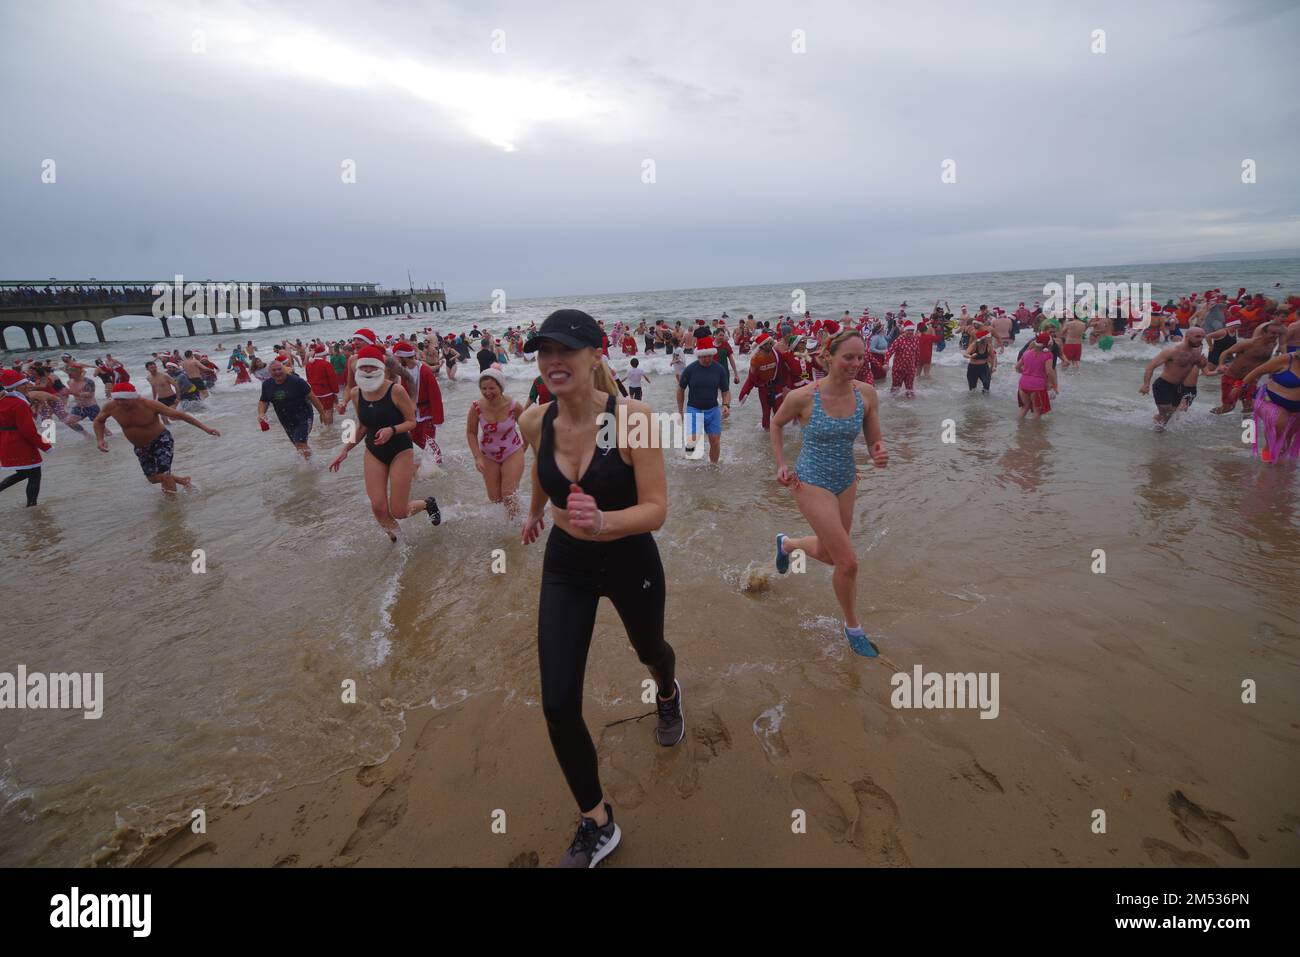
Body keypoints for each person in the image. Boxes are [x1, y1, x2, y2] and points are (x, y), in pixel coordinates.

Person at [516, 309, 679, 868]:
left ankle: (667, 692)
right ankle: (597, 821)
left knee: (649, 650)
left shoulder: (628, 419)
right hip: (567, 564)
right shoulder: (535, 421)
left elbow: (656, 510)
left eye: (565, 350)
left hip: (630, 557)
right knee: (558, 701)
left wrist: (605, 523)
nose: (553, 361)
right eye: (544, 352)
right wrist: (538, 512)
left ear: (593, 357)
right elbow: (544, 472)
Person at [769, 331, 888, 656]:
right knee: (848, 563)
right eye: (848, 357)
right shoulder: (803, 396)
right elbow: (776, 424)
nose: (856, 363)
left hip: (846, 479)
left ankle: (787, 544)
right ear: (828, 356)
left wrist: (879, 452)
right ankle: (853, 628)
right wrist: (780, 464)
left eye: (860, 357)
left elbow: (874, 439)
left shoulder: (865, 395)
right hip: (809, 481)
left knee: (828, 554)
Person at [328, 345, 440, 540]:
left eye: (372, 366)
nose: (368, 371)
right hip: (374, 451)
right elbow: (363, 426)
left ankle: (428, 503)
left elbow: (411, 422)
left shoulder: (395, 390)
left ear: (380, 367)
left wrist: (392, 430)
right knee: (378, 507)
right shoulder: (356, 393)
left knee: (399, 511)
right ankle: (400, 543)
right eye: (364, 368)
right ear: (358, 369)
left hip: (400, 450)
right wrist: (345, 449)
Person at [93, 383, 220, 493]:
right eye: (117, 400)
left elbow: (181, 415)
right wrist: (100, 439)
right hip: (140, 447)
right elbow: (99, 421)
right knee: (152, 479)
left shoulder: (149, 405)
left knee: (164, 476)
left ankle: (172, 509)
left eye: (124, 399)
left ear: (133, 397)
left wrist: (207, 429)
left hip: (161, 440)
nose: (120, 403)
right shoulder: (111, 407)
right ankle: (182, 480)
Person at [467, 366, 526, 513]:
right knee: (495, 499)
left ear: (501, 387)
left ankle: (516, 530)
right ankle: (503, 530)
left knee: (509, 496)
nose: (488, 392)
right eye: (484, 388)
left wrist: (524, 447)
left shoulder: (514, 406)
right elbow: (471, 433)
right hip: (488, 455)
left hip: (512, 452)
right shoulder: (476, 407)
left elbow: (527, 426)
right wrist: (477, 457)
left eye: (492, 388)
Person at [0, 369, 54, 506]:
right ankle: (32, 506)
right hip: (20, 443)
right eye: (24, 384)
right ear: (16, 387)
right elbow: (28, 430)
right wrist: (46, 445)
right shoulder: (20, 404)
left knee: (24, 473)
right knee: (35, 475)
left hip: (5, 442)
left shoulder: (3, 401)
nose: (28, 386)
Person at [1139, 328, 1211, 430]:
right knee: (1166, 412)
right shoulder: (1172, 351)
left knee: (1171, 413)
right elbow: (1151, 366)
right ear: (1187, 336)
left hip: (1179, 387)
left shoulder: (1197, 350)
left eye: (1203, 337)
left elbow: (1199, 366)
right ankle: (1156, 431)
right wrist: (1146, 384)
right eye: (1197, 337)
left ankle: (1157, 428)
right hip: (1163, 385)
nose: (1201, 339)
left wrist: (1202, 363)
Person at [676, 336, 731, 462]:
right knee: (693, 440)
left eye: (709, 356)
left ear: (712, 354)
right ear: (698, 356)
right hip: (694, 409)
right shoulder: (690, 370)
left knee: (715, 441)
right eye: (703, 356)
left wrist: (726, 405)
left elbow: (726, 391)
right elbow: (680, 390)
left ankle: (713, 467)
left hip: (713, 410)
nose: (707, 359)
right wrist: (680, 411)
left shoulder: (719, 369)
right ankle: (687, 459)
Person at [258, 358, 325, 459]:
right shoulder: (267, 385)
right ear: (269, 372)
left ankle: (311, 466)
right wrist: (261, 413)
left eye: (279, 369)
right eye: (274, 370)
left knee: (300, 442)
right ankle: (310, 465)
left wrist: (322, 413)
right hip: (286, 420)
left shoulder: (297, 381)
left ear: (284, 369)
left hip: (304, 416)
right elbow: (264, 401)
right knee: (297, 445)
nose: (277, 372)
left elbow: (312, 396)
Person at [1241, 349, 1300, 462]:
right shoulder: (1287, 359)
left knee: (1287, 439)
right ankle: (1267, 464)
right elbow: (1258, 371)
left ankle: (1279, 470)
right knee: (1278, 426)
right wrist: (1239, 387)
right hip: (1269, 400)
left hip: (1296, 408)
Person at [392, 340, 444, 464]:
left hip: (427, 412)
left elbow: (435, 395)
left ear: (403, 357)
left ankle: (439, 463)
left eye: (397, 357)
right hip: (413, 413)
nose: (397, 360)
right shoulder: (404, 371)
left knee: (429, 439)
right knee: (415, 439)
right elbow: (403, 393)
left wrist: (438, 418)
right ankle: (428, 460)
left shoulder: (425, 371)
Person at [1016, 333, 1057, 420]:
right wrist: (1052, 384)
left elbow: (1017, 367)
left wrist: (1027, 373)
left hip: (1023, 384)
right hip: (1037, 386)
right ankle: (1035, 432)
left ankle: (1019, 428)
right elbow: (1049, 372)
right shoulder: (1048, 355)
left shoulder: (1027, 353)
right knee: (1037, 411)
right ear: (1048, 344)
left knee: (1024, 407)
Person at [305, 344, 339, 426]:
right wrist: (335, 391)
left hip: (314, 392)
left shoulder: (308, 365)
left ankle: (323, 426)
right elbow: (332, 379)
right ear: (323, 355)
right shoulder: (326, 364)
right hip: (326, 392)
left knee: (321, 411)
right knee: (328, 410)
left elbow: (308, 378)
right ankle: (328, 429)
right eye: (325, 355)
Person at [964, 328, 997, 393]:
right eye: (988, 338)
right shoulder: (974, 345)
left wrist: (993, 366)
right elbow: (965, 354)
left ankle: (985, 401)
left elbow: (993, 357)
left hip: (984, 368)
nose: (989, 339)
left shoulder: (989, 346)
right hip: (973, 368)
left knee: (986, 386)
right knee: (972, 389)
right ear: (983, 339)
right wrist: (971, 356)